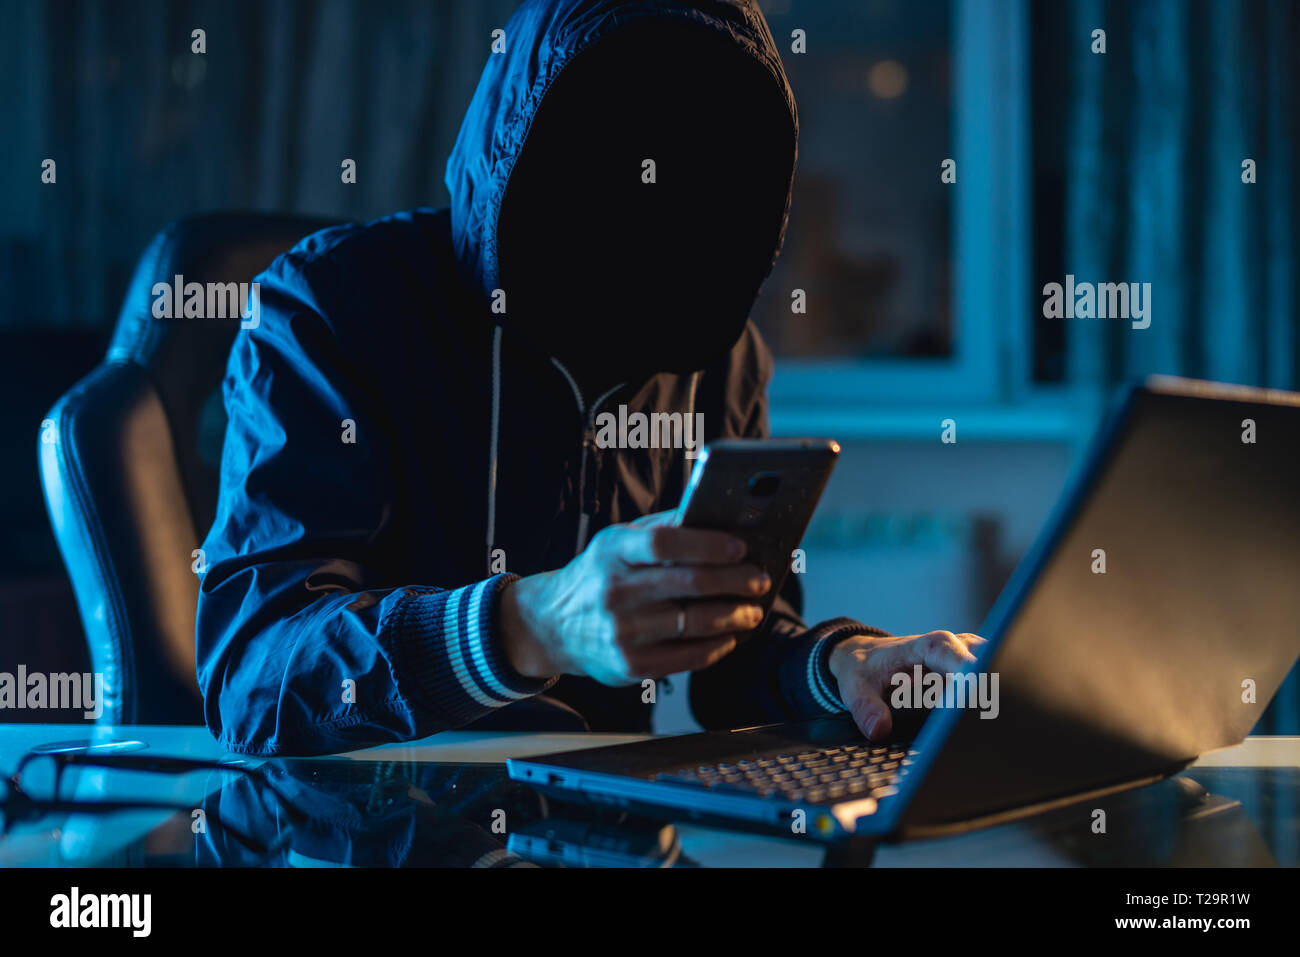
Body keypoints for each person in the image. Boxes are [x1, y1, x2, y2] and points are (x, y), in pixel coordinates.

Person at [196, 0, 984, 756]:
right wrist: (528, 625)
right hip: (361, 829)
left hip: (600, 824)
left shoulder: (719, 351)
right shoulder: (332, 308)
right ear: (529, 145)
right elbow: (254, 671)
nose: (650, 185)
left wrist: (841, 666)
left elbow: (733, 659)